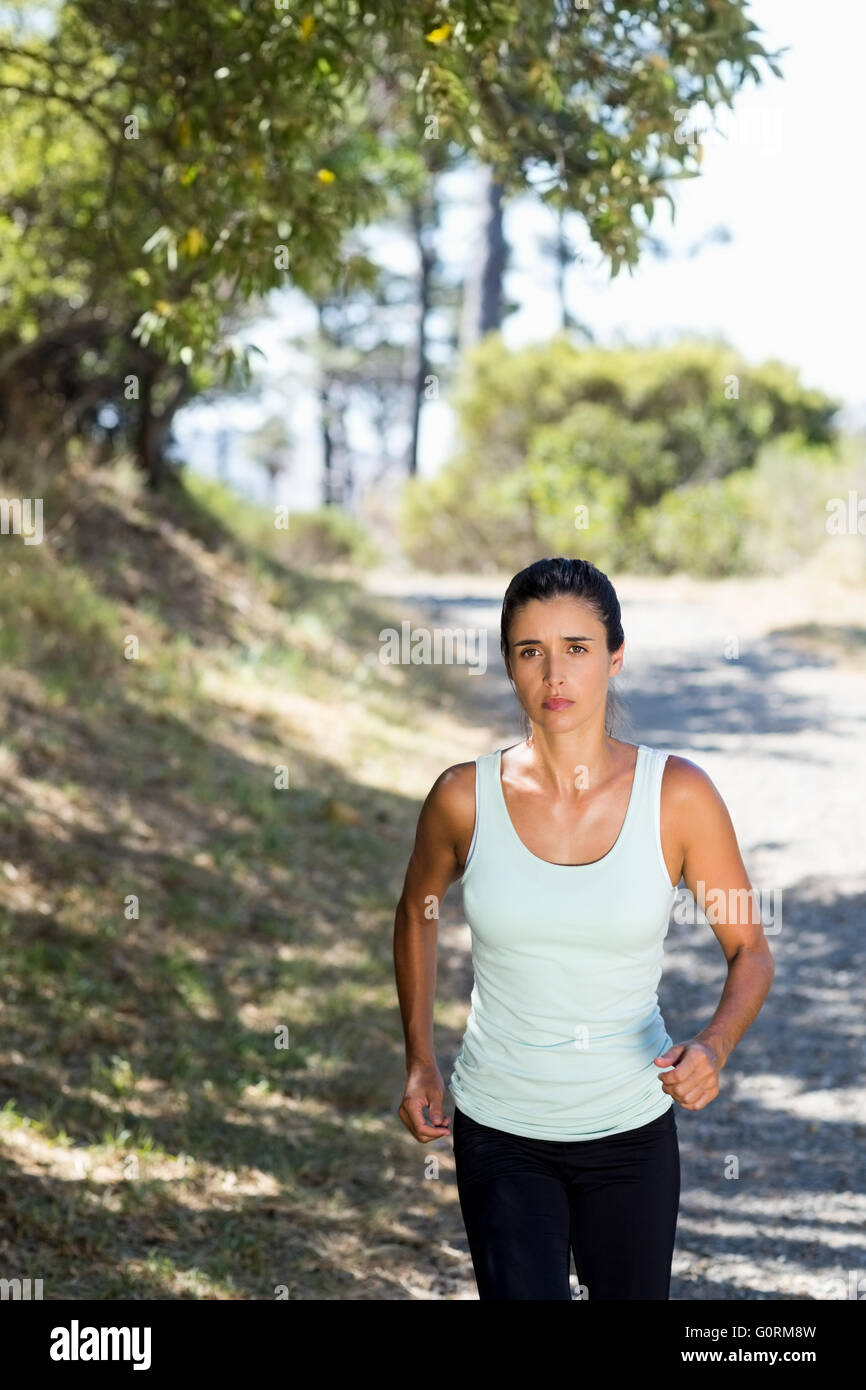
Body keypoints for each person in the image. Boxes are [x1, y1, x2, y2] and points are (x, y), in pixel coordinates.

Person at [393, 556, 775, 1300]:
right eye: (530, 651)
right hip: (500, 1127)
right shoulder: (463, 797)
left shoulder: (679, 796)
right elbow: (416, 911)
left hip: (629, 1131)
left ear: (615, 657)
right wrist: (419, 1059)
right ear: (509, 666)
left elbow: (750, 951)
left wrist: (714, 1046)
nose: (554, 674)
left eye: (577, 648)